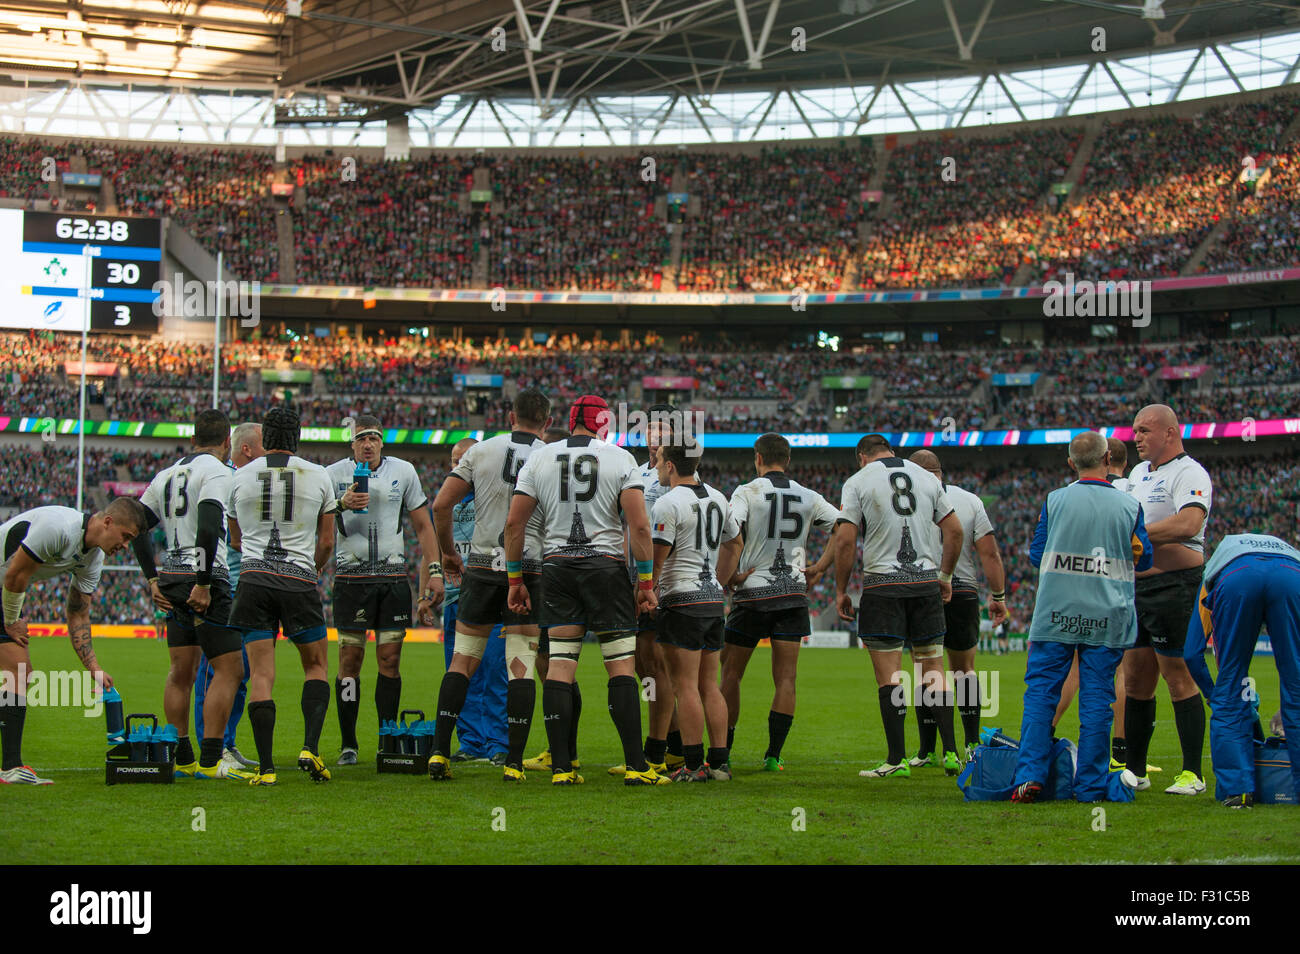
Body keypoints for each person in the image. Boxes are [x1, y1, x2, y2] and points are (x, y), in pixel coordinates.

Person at [505, 393, 668, 786]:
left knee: (560, 666)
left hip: (557, 567)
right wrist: (645, 583)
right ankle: (636, 765)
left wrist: (515, 581)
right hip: (604, 567)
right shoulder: (619, 458)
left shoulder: (540, 457)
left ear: (571, 420)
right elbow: (640, 527)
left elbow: (514, 525)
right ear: (603, 425)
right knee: (621, 666)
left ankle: (562, 768)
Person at [1012, 432, 1153, 803]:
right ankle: (1089, 786)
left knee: (1041, 695)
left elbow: (1037, 553)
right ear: (1109, 459)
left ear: (1071, 464)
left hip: (1056, 613)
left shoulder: (1054, 500)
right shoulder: (1129, 505)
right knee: (1097, 701)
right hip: (1107, 615)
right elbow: (1146, 558)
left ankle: (1029, 777)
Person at [430, 388, 551, 781]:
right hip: (528, 569)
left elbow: (441, 505)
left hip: (481, 566)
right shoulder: (549, 457)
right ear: (547, 422)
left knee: (462, 659)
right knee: (520, 665)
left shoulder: (480, 451)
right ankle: (513, 762)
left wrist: (449, 553)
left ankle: (438, 753)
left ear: (510, 416)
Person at [832, 433, 963, 779]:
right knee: (933, 671)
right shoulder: (925, 477)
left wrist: (841, 589)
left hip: (883, 586)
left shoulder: (858, 481)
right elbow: (955, 531)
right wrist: (946, 575)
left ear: (862, 456)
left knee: (889, 675)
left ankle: (896, 759)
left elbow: (845, 540)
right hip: (925, 585)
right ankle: (951, 754)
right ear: (890, 451)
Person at [133, 409, 251, 780]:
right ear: (226, 441)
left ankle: (182, 754)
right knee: (230, 669)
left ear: (194, 437)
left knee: (180, 673)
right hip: (206, 579)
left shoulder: (165, 475)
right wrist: (202, 581)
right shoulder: (215, 471)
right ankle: (212, 759)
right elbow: (209, 523)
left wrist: (152, 579)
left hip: (170, 576)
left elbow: (136, 526)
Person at [0, 498, 146, 784]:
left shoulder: (93, 557)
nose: (126, 546)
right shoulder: (58, 528)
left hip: (4, 589)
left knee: (17, 674)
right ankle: (10, 766)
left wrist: (94, 668)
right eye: (125, 536)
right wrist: (11, 620)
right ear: (107, 522)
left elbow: (78, 614)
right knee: (17, 673)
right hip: (6, 587)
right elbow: (15, 574)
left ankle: (11, 766)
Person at [228, 405, 337, 786]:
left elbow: (236, 539)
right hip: (300, 581)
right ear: (297, 438)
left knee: (260, 674)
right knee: (316, 666)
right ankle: (310, 747)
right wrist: (314, 566)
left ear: (265, 438)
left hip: (254, 579)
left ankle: (267, 768)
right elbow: (326, 540)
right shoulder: (320, 476)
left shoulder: (239, 477)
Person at [716, 433, 838, 772]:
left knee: (730, 673)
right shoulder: (809, 496)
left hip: (753, 592)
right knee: (786, 679)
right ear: (788, 460)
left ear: (758, 458)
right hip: (792, 594)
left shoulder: (747, 491)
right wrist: (819, 568)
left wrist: (730, 576)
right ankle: (773, 755)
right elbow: (843, 528)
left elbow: (730, 528)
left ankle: (722, 755)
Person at [326, 415, 443, 765]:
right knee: (350, 661)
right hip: (351, 578)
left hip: (392, 579)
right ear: (352, 443)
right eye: (361, 438)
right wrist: (341, 504)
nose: (367, 444)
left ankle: (386, 739)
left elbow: (423, 526)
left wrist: (434, 570)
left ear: (382, 443)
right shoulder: (332, 475)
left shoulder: (404, 472)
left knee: (390, 660)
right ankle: (349, 743)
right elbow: (316, 520)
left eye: (374, 438)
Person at [1122, 404, 1213, 796]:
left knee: (1178, 675)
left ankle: (1193, 774)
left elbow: (1189, 524)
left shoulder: (1189, 472)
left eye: (1144, 430)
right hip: (1137, 588)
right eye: (1135, 431)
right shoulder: (1137, 474)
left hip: (1176, 585)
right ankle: (1135, 771)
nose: (1137, 437)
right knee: (1136, 679)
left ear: (1170, 434)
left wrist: (1138, 534)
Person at [1184, 533, 1300, 808]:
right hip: (1291, 576)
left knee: (1230, 683)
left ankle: (1238, 791)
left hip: (1237, 578)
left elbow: (1192, 651)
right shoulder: (1287, 554)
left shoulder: (1216, 566)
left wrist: (1216, 695)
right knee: (1296, 686)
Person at [907, 449, 1008, 764]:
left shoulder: (906, 502)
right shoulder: (969, 500)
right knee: (964, 671)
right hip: (962, 591)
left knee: (925, 672)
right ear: (940, 471)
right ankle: (971, 745)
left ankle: (928, 750)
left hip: (922, 590)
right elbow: (989, 554)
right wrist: (999, 596)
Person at [651, 440, 738, 781]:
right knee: (709, 685)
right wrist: (720, 580)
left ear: (670, 465)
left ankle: (691, 765)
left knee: (683, 687)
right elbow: (736, 543)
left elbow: (658, 560)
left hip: (681, 600)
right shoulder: (719, 497)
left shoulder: (667, 502)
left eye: (659, 461)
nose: (656, 466)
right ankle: (719, 763)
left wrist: (647, 590)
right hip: (712, 600)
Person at [607, 404, 681, 777]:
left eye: (661, 431)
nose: (652, 438)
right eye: (649, 430)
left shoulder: (678, 477)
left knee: (654, 665)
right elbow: (627, 529)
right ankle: (673, 743)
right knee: (642, 666)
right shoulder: (635, 473)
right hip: (635, 583)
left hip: (662, 585)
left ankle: (657, 751)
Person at [192, 420, 263, 771]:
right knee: (216, 670)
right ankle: (212, 745)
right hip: (227, 585)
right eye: (265, 444)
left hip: (248, 587)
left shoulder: (252, 479)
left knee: (240, 672)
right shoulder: (227, 477)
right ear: (247, 449)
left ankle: (227, 741)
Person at [439, 437, 507, 765]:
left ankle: (498, 742)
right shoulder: (449, 500)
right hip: (454, 596)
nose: (458, 465)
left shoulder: (493, 497)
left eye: (463, 459)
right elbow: (437, 549)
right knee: (461, 671)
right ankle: (469, 741)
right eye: (454, 459)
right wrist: (429, 587)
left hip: (487, 591)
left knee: (496, 670)